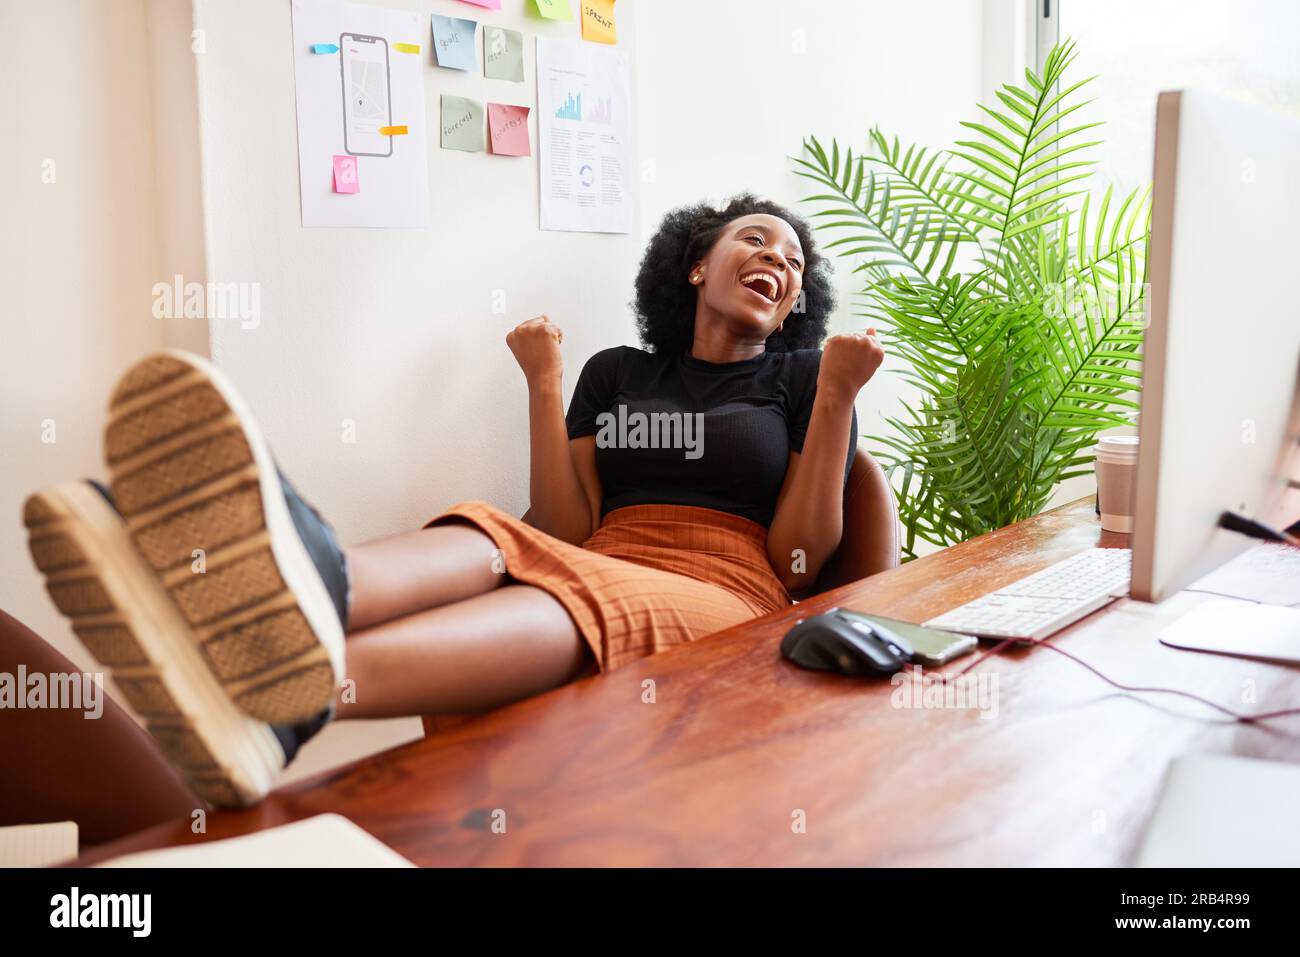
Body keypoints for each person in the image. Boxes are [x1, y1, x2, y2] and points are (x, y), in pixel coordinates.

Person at [23, 193, 890, 807]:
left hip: (726, 593)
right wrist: (544, 383)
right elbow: (562, 528)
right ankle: (309, 579)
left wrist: (841, 397)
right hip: (602, 552)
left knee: (566, 592)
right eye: (757, 240)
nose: (778, 260)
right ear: (697, 265)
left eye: (794, 262)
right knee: (490, 534)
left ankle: (286, 681)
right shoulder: (617, 373)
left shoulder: (808, 377)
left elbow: (799, 563)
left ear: (793, 310)